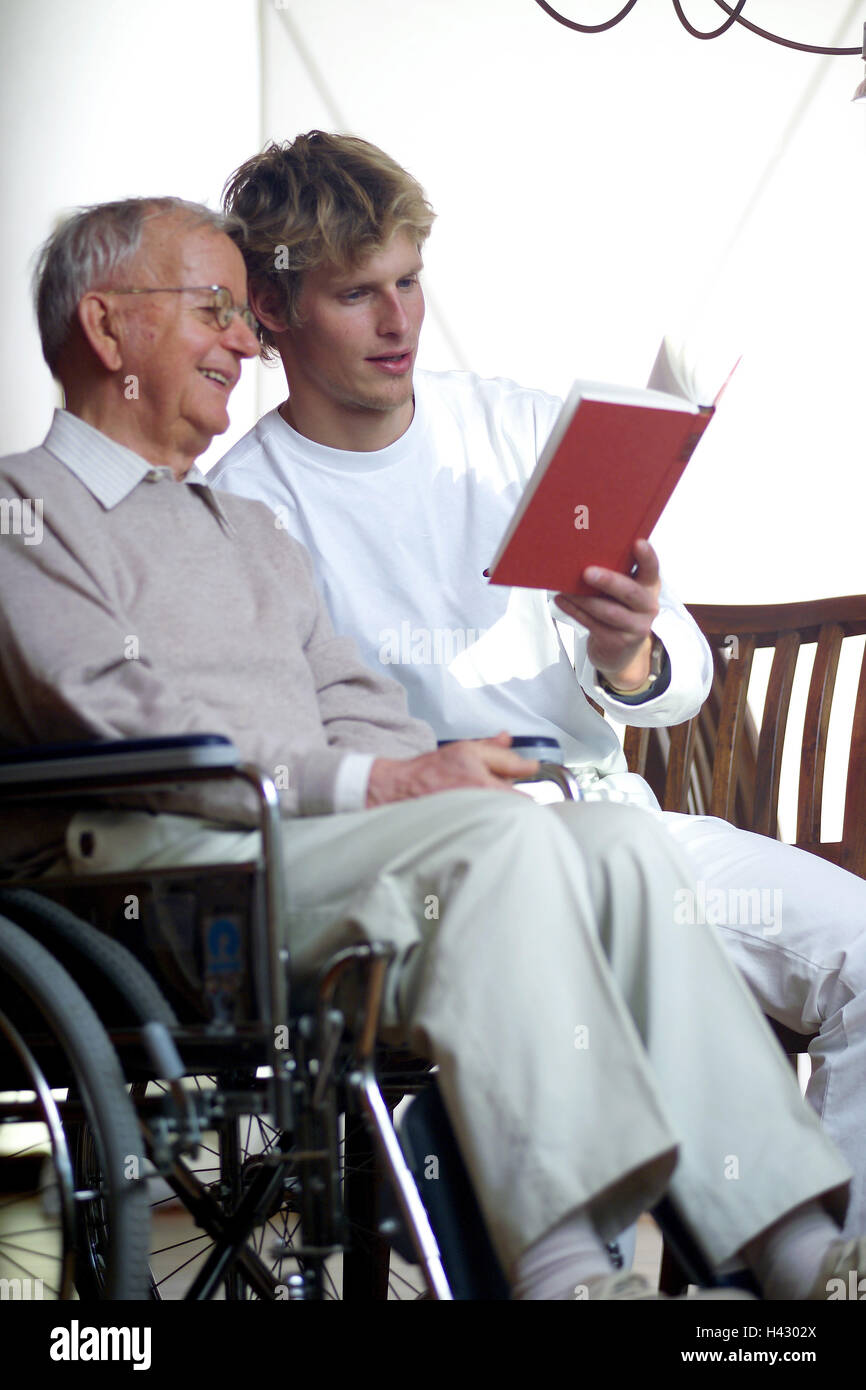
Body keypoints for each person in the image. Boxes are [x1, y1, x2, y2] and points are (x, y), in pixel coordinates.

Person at [0, 196, 861, 1304]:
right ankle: (562, 1277)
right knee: (500, 846)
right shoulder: (27, 510)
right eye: (214, 310)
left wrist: (432, 769)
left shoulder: (240, 531)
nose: (245, 343)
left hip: (312, 851)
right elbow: (116, 718)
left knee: (608, 841)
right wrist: (391, 782)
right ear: (108, 331)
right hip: (167, 872)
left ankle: (794, 1256)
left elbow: (358, 704)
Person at [211, 131, 866, 1236]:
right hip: (461, 872)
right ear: (272, 313)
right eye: (356, 293)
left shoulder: (515, 427)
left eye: (411, 281)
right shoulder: (250, 506)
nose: (399, 320)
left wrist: (629, 652)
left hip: (617, 828)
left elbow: (681, 677)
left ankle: (834, 1275)